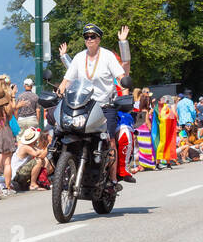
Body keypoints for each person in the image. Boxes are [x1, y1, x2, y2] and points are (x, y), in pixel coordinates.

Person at [58, 24, 132, 187]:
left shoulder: (107, 56)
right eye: (87, 37)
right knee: (61, 131)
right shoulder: (78, 57)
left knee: (110, 140)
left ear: (99, 39)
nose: (89, 40)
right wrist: (60, 90)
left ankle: (112, 179)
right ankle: (62, 170)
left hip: (105, 106)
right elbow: (68, 79)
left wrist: (122, 82)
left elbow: (121, 74)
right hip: (83, 105)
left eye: (93, 37)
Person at [10, 127, 47, 191]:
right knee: (38, 161)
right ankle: (33, 184)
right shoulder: (25, 147)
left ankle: (39, 180)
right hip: (17, 176)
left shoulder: (29, 146)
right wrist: (47, 148)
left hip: (20, 173)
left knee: (41, 160)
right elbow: (37, 154)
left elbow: (40, 152)